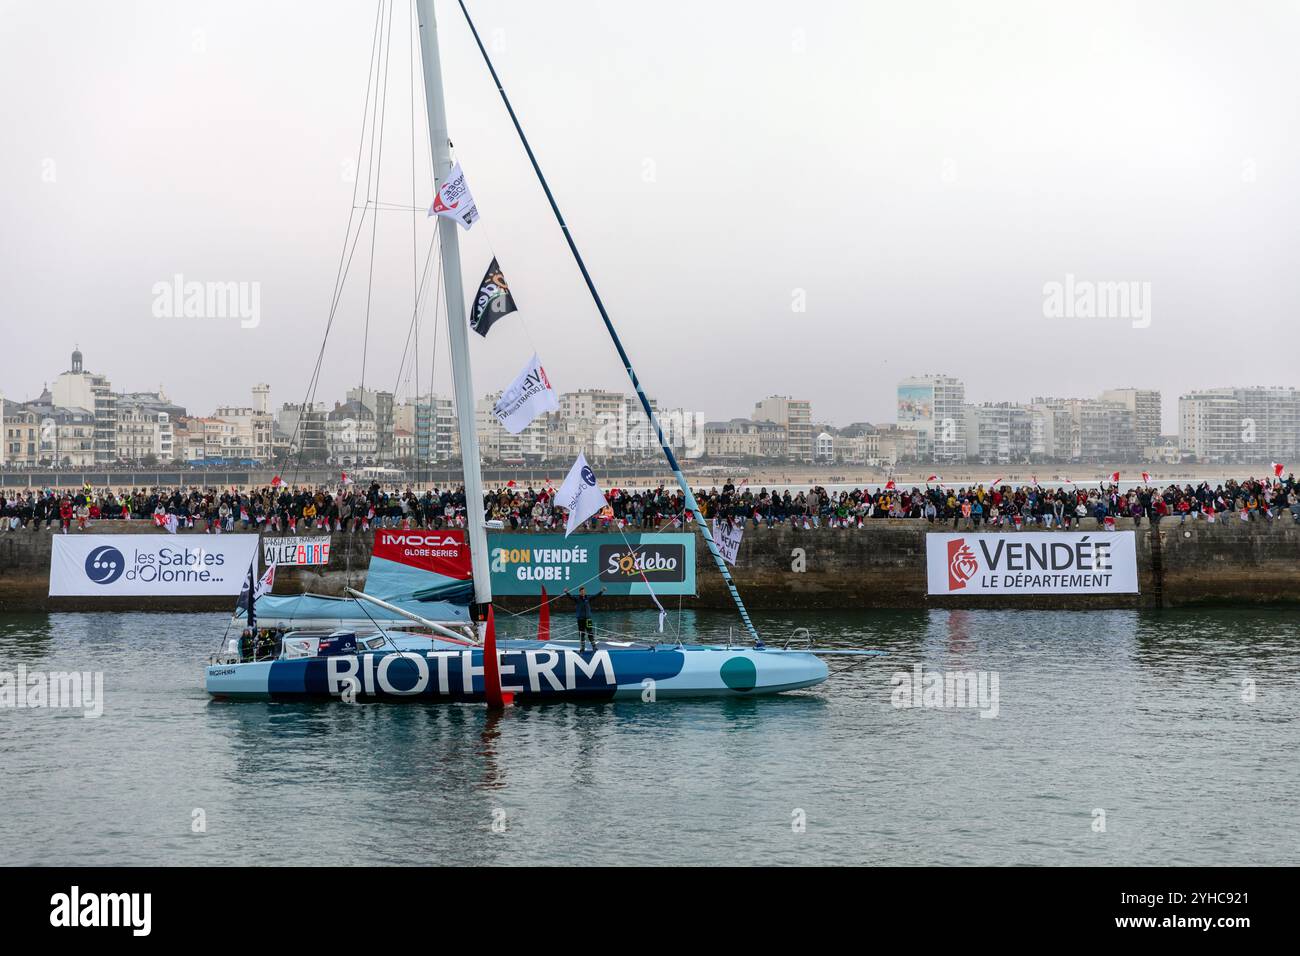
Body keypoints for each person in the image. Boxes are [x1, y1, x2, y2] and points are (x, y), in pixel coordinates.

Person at [563, 585, 606, 653]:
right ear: (580, 592)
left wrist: (602, 591)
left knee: (590, 632)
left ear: (585, 592)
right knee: (581, 633)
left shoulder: (588, 598)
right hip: (580, 619)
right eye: (581, 591)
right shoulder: (577, 599)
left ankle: (594, 647)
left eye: (584, 591)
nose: (583, 592)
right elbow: (570, 597)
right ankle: (582, 648)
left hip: (588, 619)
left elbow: (595, 596)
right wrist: (566, 592)